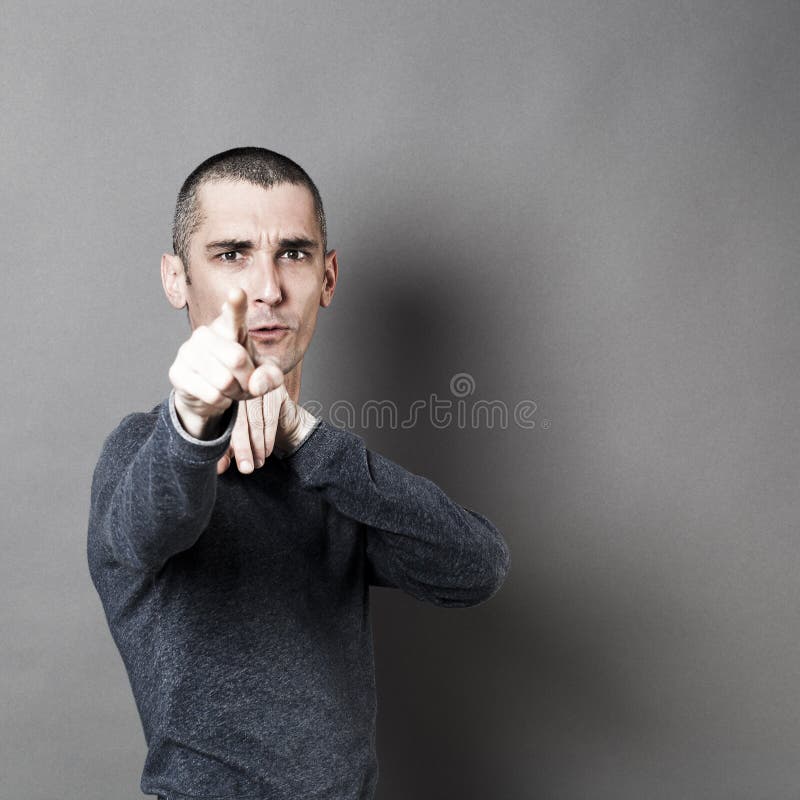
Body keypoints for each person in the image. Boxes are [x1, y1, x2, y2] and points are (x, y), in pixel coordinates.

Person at [87, 147, 510, 800]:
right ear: (177, 279)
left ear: (329, 277)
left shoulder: (334, 475)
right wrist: (193, 422)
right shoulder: (140, 452)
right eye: (231, 254)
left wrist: (301, 436)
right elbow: (150, 525)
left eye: (293, 253)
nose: (268, 288)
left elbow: (475, 569)